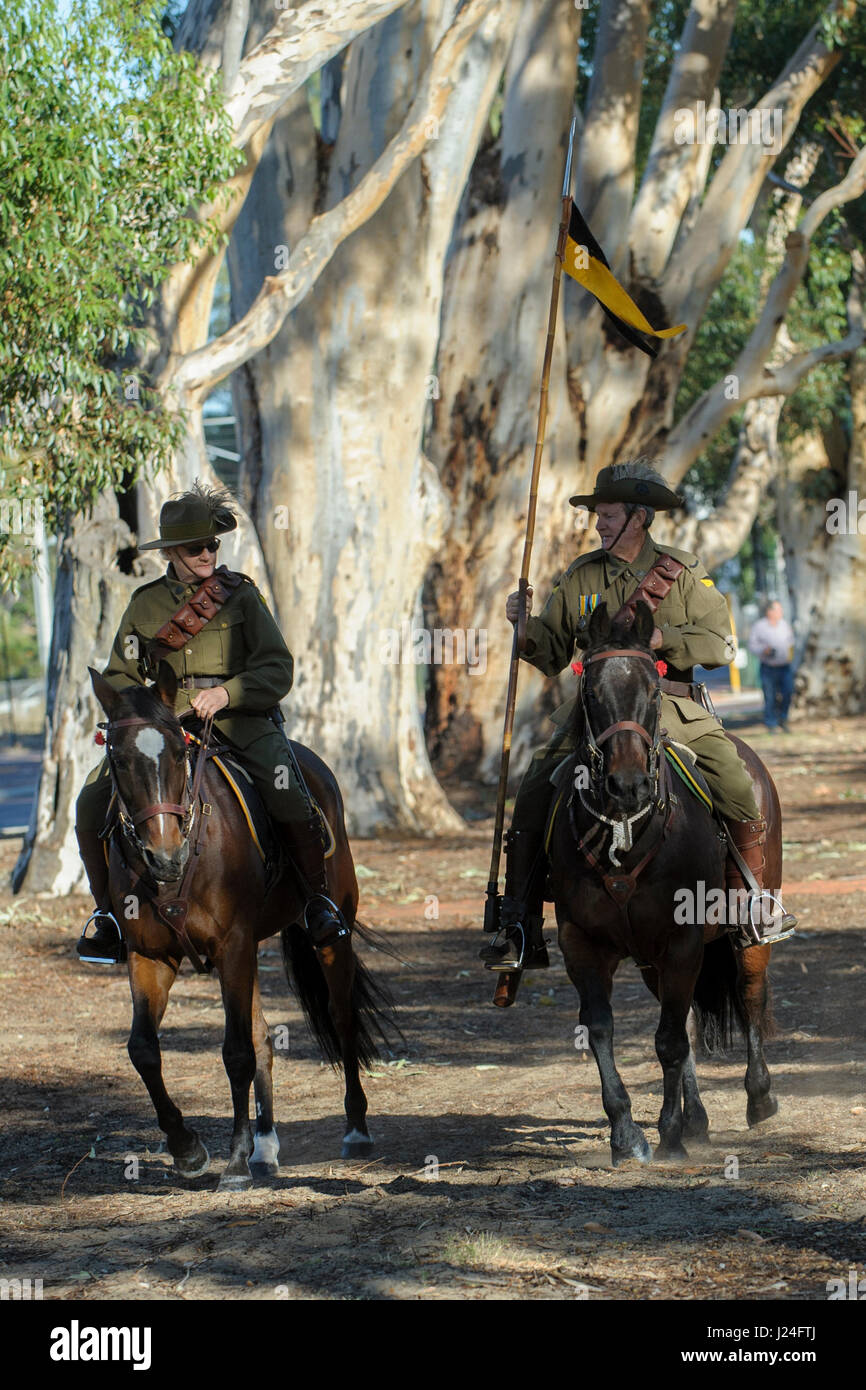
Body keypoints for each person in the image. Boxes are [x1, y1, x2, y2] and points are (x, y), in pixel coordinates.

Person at [480, 458, 796, 972]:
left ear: (639, 518)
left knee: (737, 781)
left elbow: (722, 645)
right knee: (536, 785)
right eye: (597, 516)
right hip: (598, 709)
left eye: (607, 515)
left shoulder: (684, 571)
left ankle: (752, 903)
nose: (598, 525)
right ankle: (519, 925)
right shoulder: (580, 576)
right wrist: (525, 628)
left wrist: (663, 639)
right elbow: (554, 651)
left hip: (670, 704)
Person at [75, 481, 343, 964]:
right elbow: (121, 672)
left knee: (285, 788)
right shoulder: (146, 604)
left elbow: (277, 666)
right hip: (165, 729)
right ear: (172, 552)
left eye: (213, 544)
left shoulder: (240, 598)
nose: (207, 553)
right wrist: (142, 711)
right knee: (92, 800)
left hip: (241, 721)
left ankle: (318, 901)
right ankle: (109, 916)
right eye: (196, 546)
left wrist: (225, 693)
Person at [748, 600, 795, 732]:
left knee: (788, 692)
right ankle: (771, 723)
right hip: (768, 667)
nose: (781, 612)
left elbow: (791, 642)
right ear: (769, 611)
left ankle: (783, 719)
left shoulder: (784, 625)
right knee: (770, 696)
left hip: (785, 666)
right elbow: (752, 646)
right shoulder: (759, 626)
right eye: (778, 610)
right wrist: (764, 649)